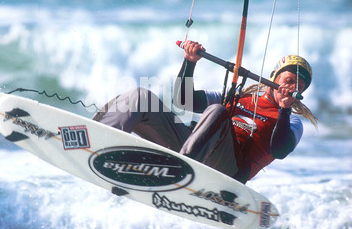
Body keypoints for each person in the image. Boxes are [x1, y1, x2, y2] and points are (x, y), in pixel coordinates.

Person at [93, 40, 318, 183]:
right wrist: (190, 63)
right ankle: (96, 140)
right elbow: (183, 100)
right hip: (191, 150)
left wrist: (284, 111)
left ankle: (179, 169)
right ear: (274, 78)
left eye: (299, 86)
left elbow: (279, 151)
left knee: (217, 111)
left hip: (229, 172)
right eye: (289, 80)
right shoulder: (238, 96)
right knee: (139, 96)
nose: (292, 87)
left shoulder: (293, 121)